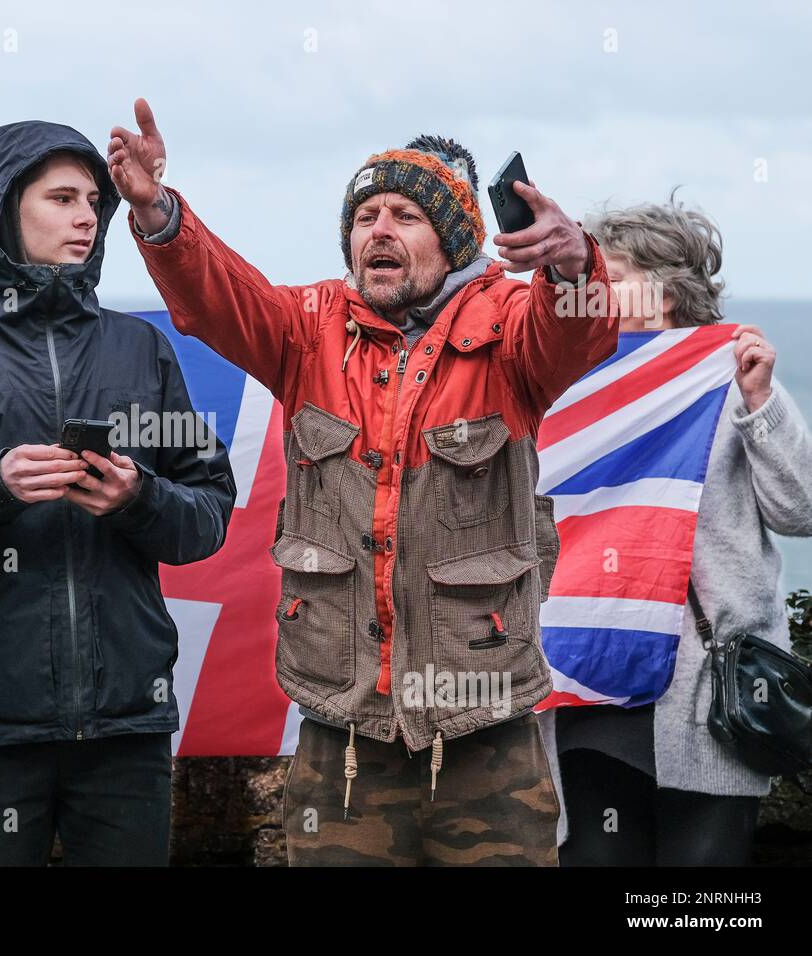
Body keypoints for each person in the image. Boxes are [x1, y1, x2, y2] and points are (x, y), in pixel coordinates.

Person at [109, 98, 617, 866]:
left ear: (452, 243)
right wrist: (158, 215)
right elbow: (216, 297)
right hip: (343, 741)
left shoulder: (512, 330)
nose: (378, 229)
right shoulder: (305, 329)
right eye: (365, 215)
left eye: (406, 215)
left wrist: (575, 261)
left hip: (486, 738)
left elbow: (578, 328)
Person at [0, 120, 235, 867]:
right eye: (61, 198)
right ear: (2, 208)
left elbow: (210, 512)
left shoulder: (140, 349)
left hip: (129, 724)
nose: (87, 215)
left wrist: (139, 497)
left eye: (94, 199)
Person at [539, 194, 812, 866]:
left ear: (666, 291)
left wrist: (760, 406)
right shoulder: (564, 392)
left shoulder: (728, 378)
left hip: (700, 694)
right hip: (587, 684)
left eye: (615, 278)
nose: (594, 295)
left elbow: (800, 509)